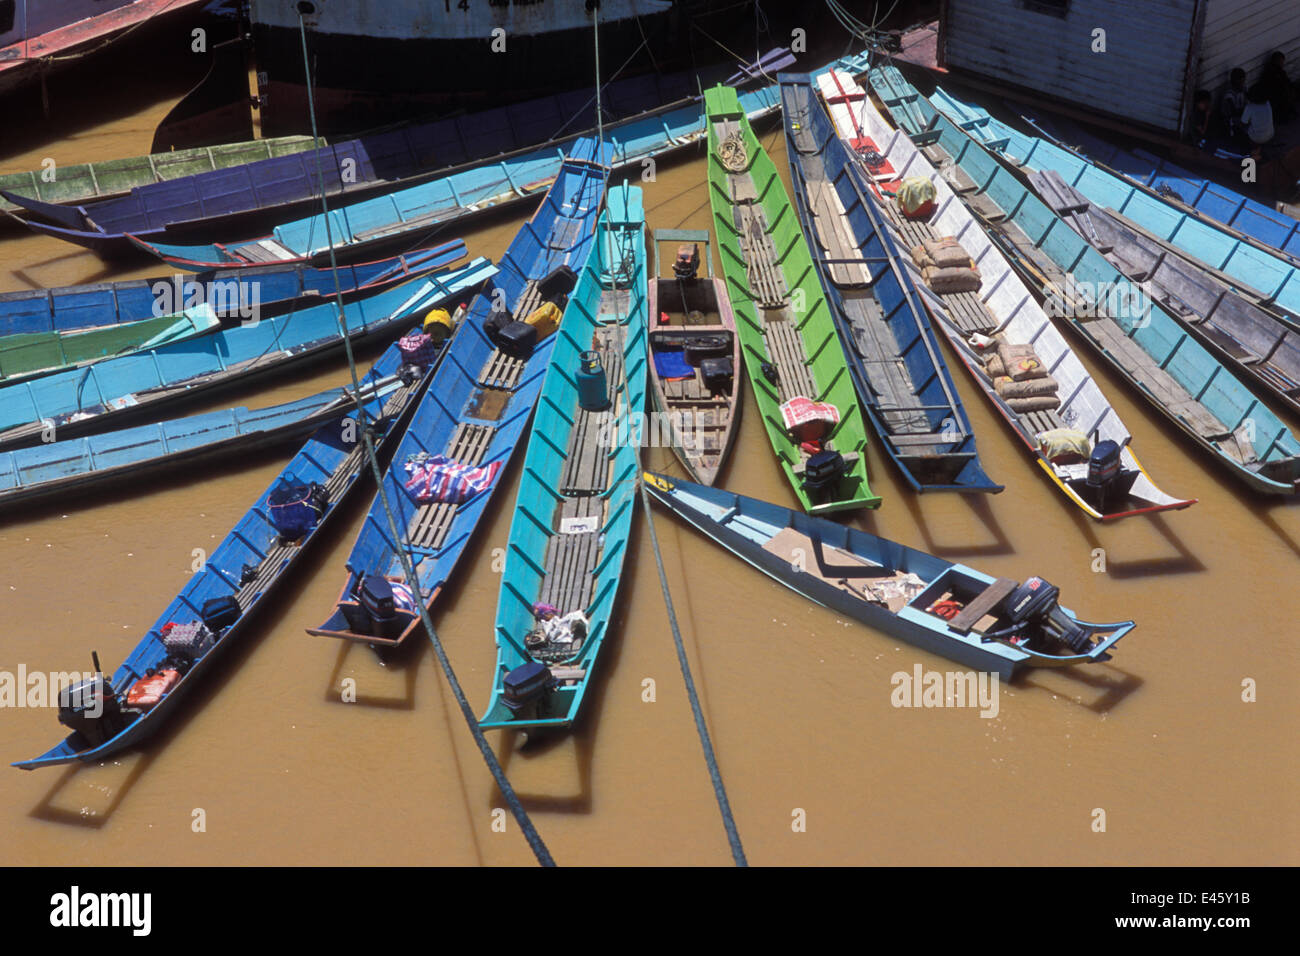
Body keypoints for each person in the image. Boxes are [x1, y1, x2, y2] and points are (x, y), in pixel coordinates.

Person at [1260, 51, 1295, 123]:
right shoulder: (1269, 73)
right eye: (1281, 62)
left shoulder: (1280, 71)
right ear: (1276, 61)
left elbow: (1286, 81)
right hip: (1274, 97)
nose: (1282, 64)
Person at [1219, 68, 1248, 139]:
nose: (1243, 84)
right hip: (1230, 119)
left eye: (1243, 81)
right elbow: (1233, 112)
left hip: (1241, 115)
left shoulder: (1243, 89)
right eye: (1241, 82)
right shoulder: (1229, 94)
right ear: (1234, 82)